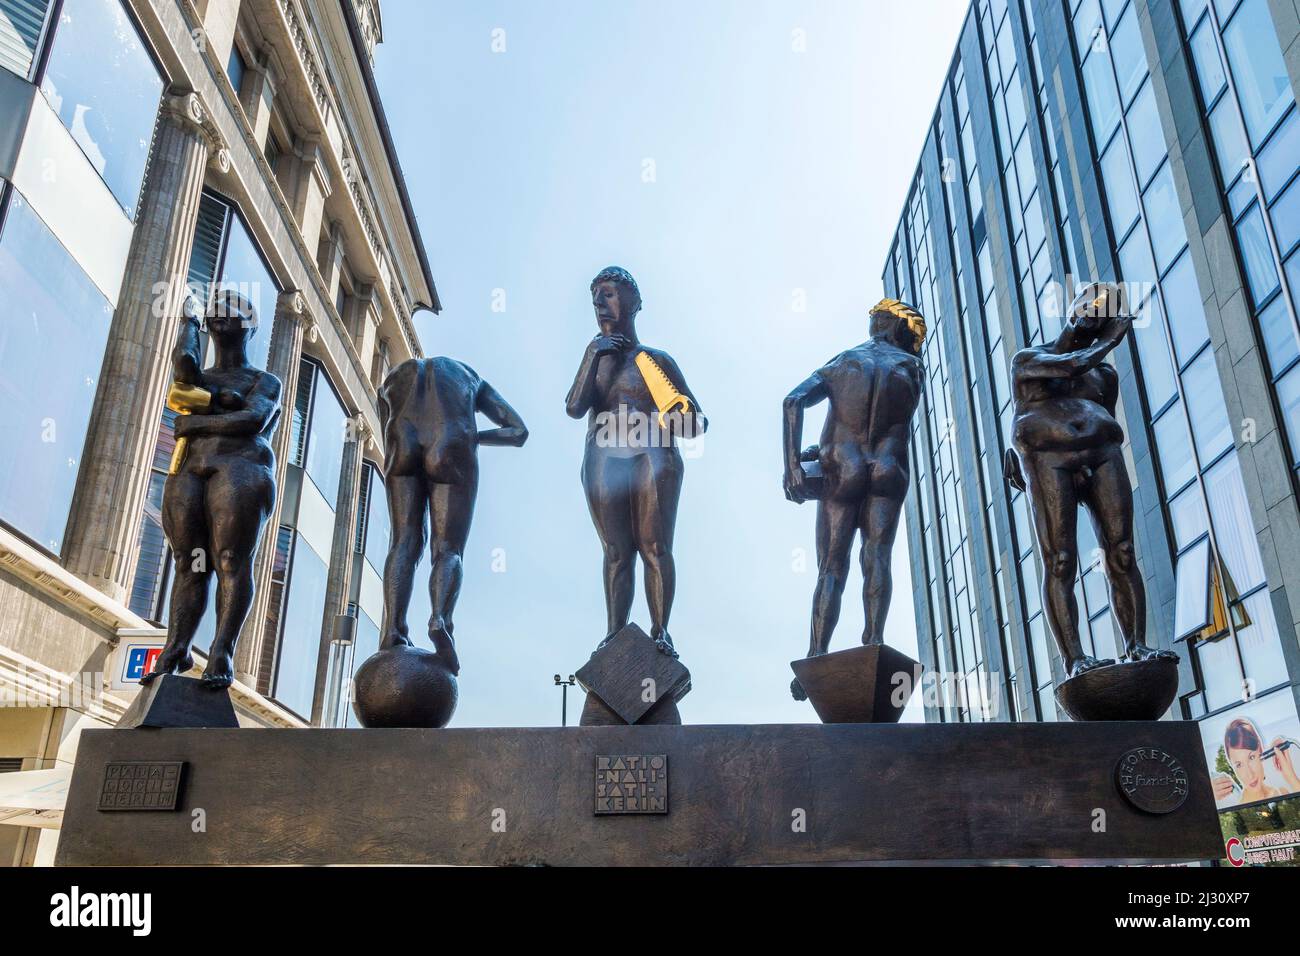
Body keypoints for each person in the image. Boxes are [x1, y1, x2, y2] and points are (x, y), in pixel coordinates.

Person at [1005, 282, 1177, 678]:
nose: (1094, 310)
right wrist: (1111, 339)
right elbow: (1070, 366)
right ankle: (1075, 659)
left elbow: (1104, 415)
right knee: (1061, 560)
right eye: (1089, 302)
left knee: (1123, 551)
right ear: (1073, 307)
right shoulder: (1030, 359)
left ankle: (1136, 644)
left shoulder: (1104, 375)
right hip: (1050, 462)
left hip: (1102, 458)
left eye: (1103, 309)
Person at [782, 298, 925, 701]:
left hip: (842, 470)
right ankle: (873, 642)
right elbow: (885, 423)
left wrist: (793, 465)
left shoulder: (845, 362)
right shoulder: (911, 367)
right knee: (877, 557)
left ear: (878, 323)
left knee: (831, 567)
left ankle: (816, 654)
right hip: (888, 468)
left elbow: (793, 401)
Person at [143, 290, 281, 689]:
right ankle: (176, 648)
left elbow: (253, 420)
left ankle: (222, 651)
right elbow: (184, 366)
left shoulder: (263, 380)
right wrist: (188, 322)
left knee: (230, 559)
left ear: (250, 326)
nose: (222, 313)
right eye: (215, 309)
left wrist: (195, 423)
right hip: (191, 468)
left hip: (240, 469)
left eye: (233, 308)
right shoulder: (201, 379)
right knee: (189, 562)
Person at [565, 266, 706, 657]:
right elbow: (574, 407)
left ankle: (661, 631)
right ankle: (615, 633)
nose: (599, 302)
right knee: (615, 551)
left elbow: (696, 422)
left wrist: (680, 416)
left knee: (654, 546)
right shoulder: (596, 359)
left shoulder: (655, 361)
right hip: (604, 454)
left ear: (632, 302)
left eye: (609, 293)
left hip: (652, 453)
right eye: (595, 296)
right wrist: (593, 354)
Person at [377, 356, 528, 675]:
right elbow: (518, 431)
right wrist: (473, 437)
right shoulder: (470, 377)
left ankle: (392, 630)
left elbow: (383, 427)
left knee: (403, 542)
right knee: (448, 549)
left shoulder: (393, 379)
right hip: (452, 444)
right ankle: (440, 619)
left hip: (401, 443)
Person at [1212, 717, 1300, 805]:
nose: (1250, 775)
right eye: (1239, 765)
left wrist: (1291, 777)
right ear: (1232, 767)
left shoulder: (1282, 792)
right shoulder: (1239, 808)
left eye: (1251, 757)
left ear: (1260, 750)